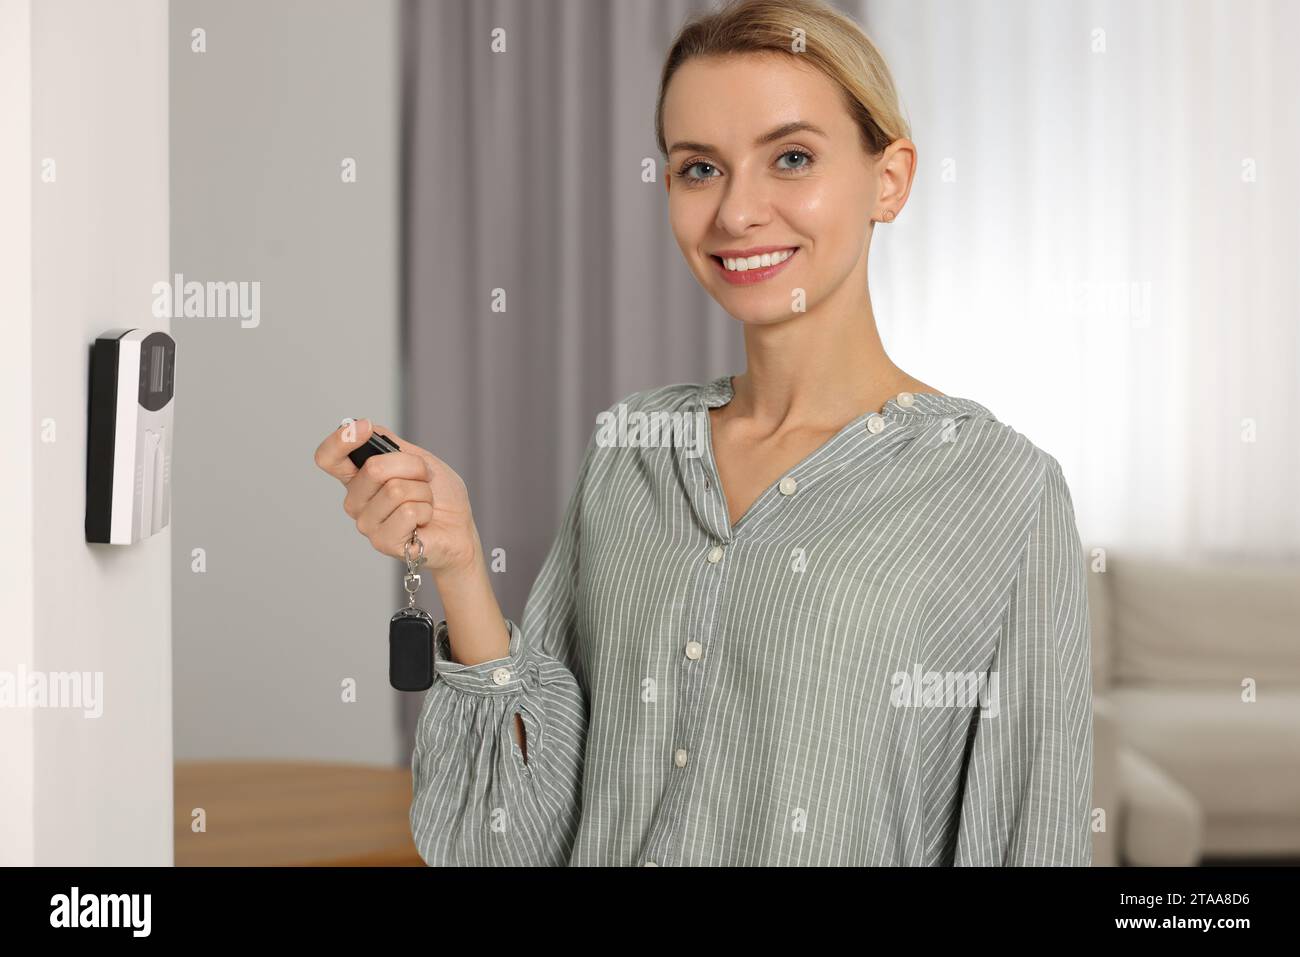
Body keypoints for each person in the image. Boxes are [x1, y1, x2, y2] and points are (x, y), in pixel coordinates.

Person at [313, 0, 1093, 866]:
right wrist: (459, 563)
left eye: (791, 157)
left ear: (891, 178)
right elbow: (515, 839)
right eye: (699, 169)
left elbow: (1032, 836)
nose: (737, 212)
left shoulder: (1003, 491)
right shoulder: (631, 447)